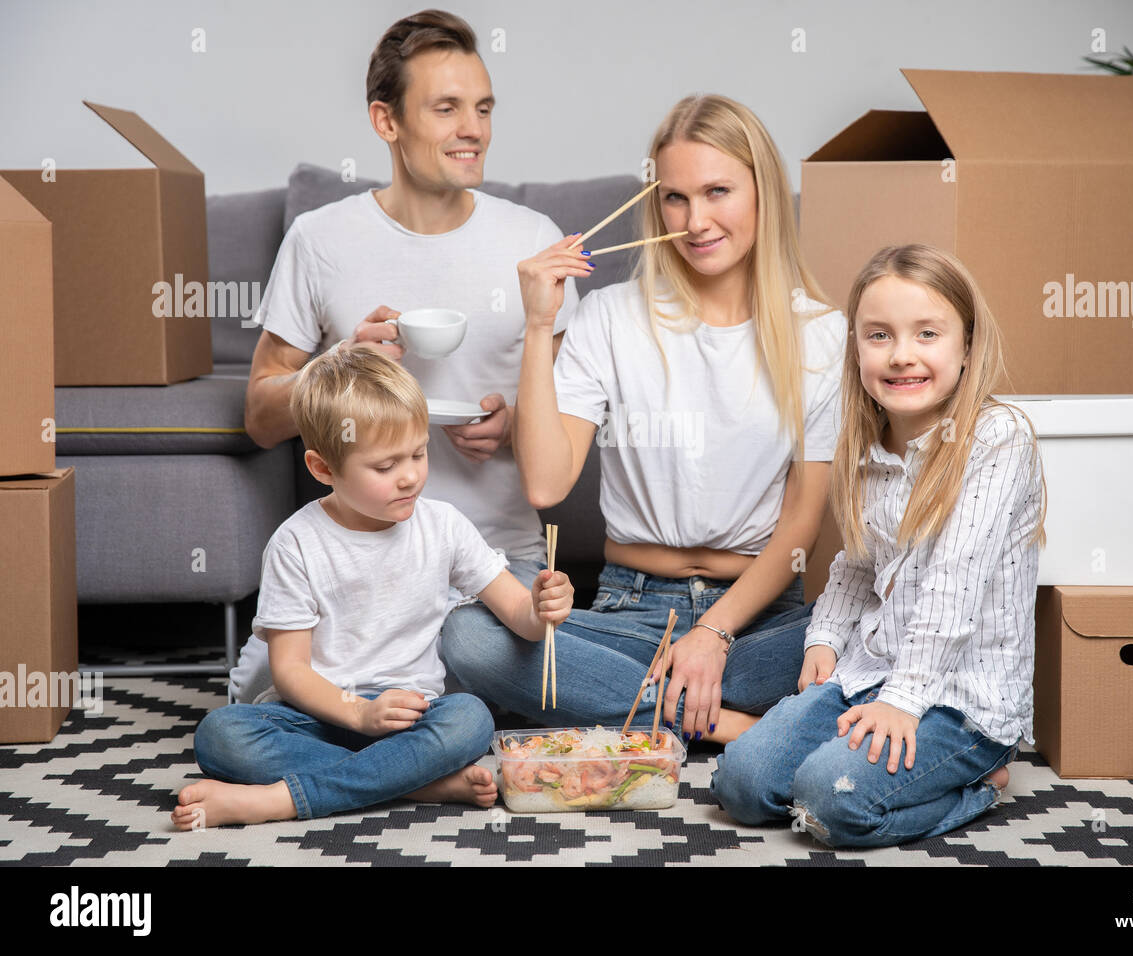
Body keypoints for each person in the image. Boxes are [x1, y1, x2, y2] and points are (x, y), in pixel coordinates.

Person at [442, 94, 846, 744]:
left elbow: (802, 525)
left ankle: (644, 710)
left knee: (872, 625)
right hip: (629, 614)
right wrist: (541, 324)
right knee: (470, 634)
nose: (695, 220)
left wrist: (713, 634)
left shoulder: (823, 336)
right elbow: (545, 485)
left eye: (718, 191)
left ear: (764, 193)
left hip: (760, 616)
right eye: (675, 198)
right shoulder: (609, 317)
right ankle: (731, 727)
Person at [230, 8, 577, 702]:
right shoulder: (320, 239)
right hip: (354, 559)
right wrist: (337, 370)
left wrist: (514, 422)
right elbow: (260, 418)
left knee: (460, 664)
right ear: (385, 122)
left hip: (492, 560)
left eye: (482, 108)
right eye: (445, 108)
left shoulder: (534, 241)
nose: (473, 128)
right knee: (256, 702)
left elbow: (570, 424)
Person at [710, 243, 1048, 848]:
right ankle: (868, 762)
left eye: (927, 334)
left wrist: (904, 703)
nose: (902, 356)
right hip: (871, 674)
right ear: (857, 349)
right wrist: (824, 640)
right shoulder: (868, 441)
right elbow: (856, 566)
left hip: (959, 698)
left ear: (966, 346)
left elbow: (954, 589)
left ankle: (978, 782)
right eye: (879, 336)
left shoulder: (999, 438)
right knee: (740, 783)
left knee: (829, 802)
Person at [173, 346, 573, 828]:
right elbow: (290, 671)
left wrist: (543, 606)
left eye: (419, 453)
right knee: (221, 735)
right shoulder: (296, 543)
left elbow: (524, 623)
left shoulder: (443, 525)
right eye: (384, 467)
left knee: (470, 718)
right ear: (323, 469)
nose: (409, 476)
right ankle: (421, 783)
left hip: (412, 720)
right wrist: (360, 715)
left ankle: (281, 799)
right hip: (319, 718)